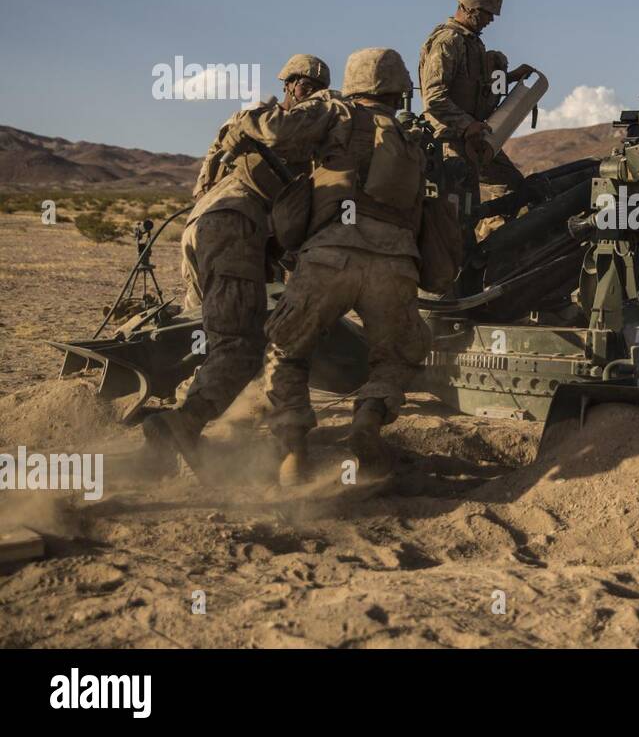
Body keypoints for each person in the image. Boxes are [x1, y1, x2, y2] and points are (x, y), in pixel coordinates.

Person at [220, 48, 432, 486]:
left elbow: (277, 131)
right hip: (395, 261)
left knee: (287, 349)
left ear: (354, 84)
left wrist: (247, 118)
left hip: (331, 253)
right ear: (397, 89)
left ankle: (293, 452)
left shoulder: (337, 112)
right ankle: (368, 422)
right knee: (396, 356)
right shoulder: (410, 139)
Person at [141, 55, 334, 474]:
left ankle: (178, 439)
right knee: (239, 347)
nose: (310, 93)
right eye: (303, 86)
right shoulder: (271, 124)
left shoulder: (251, 125)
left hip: (209, 228)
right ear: (289, 85)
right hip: (232, 229)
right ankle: (180, 425)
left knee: (219, 339)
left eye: (316, 88)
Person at [417, 0, 534, 237]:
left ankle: (492, 249)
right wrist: (467, 125)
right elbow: (434, 97)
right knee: (461, 217)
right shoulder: (448, 42)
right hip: (451, 142)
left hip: (476, 139)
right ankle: (463, 269)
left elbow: (477, 88)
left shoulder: (472, 42)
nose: (490, 20)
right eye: (486, 13)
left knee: (514, 187)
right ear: (468, 8)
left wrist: (511, 77)